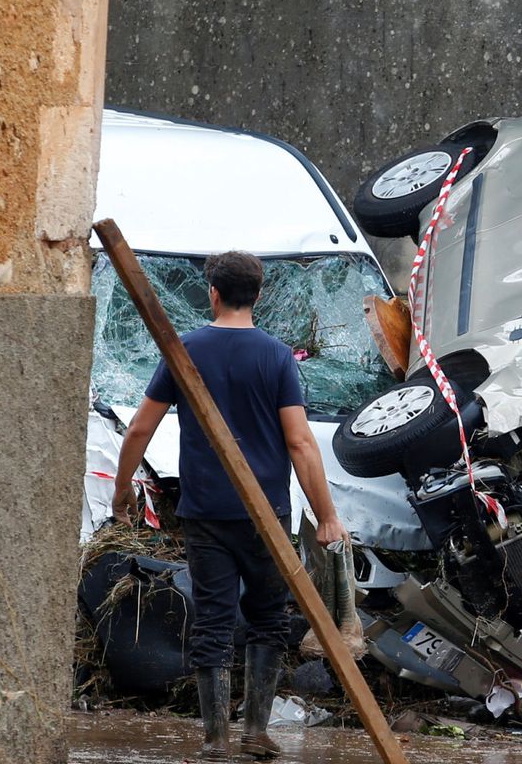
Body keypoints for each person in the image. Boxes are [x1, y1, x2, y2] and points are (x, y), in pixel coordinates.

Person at [111, 251, 348, 761]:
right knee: (268, 619)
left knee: (213, 620)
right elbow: (300, 443)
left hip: (205, 513)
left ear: (213, 293)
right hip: (266, 515)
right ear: (258, 295)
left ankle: (215, 740)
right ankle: (255, 732)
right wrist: (327, 516)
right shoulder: (276, 356)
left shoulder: (184, 350)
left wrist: (122, 487)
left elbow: (139, 428)